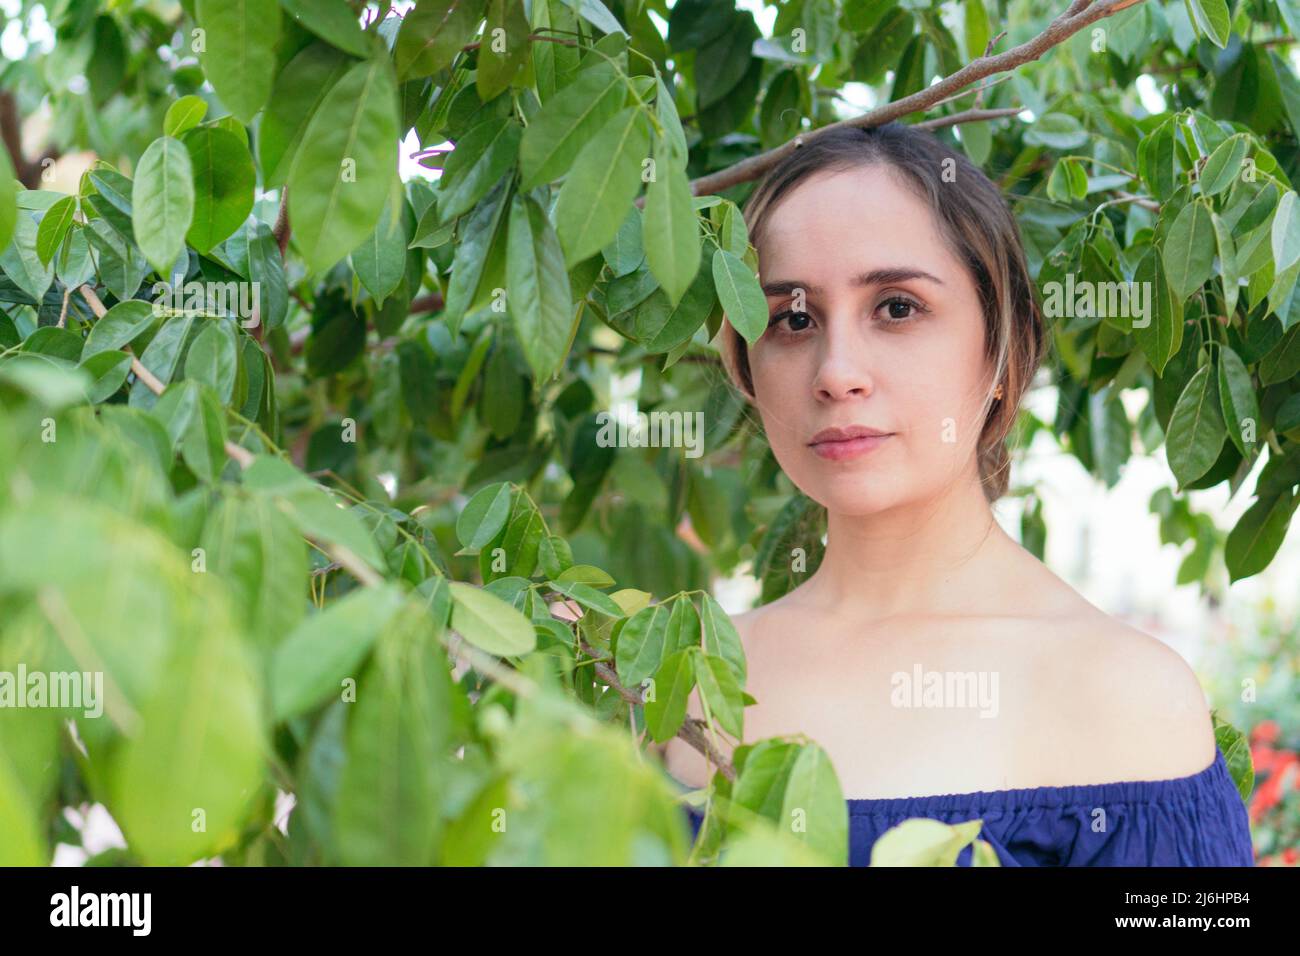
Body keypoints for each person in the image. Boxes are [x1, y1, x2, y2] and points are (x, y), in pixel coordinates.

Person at [659, 122, 1255, 867]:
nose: (836, 371)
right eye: (793, 319)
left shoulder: (1128, 698)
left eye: (897, 307)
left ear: (1003, 349)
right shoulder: (681, 683)